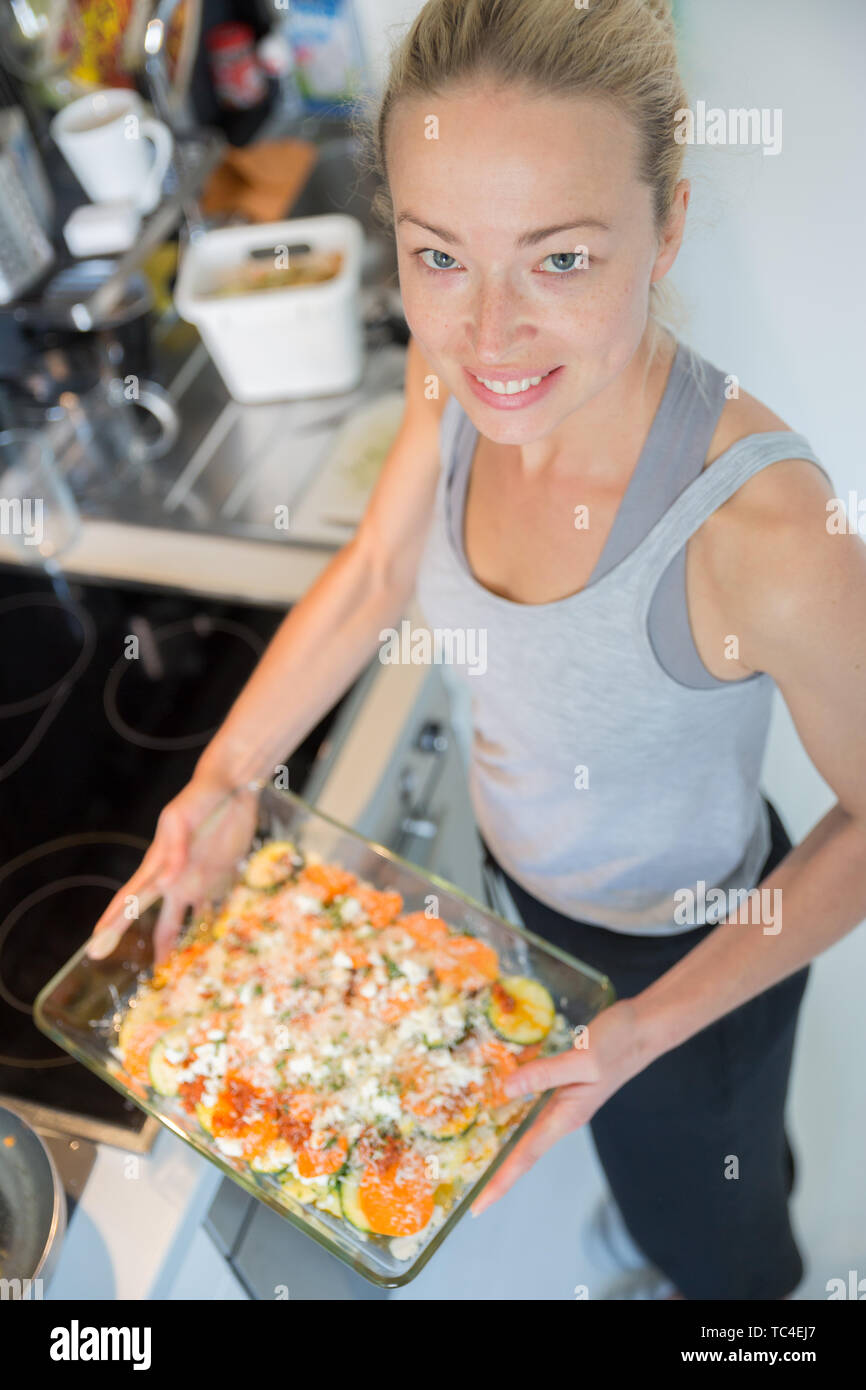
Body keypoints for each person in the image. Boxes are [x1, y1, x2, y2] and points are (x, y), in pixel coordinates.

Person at [88, 0, 866, 1300]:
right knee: (643, 1155)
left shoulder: (761, 525)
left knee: (717, 1220)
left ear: (665, 224)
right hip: (531, 903)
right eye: (439, 256)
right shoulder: (453, 375)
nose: (489, 331)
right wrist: (220, 783)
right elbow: (380, 568)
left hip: (687, 953)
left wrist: (640, 1033)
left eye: (558, 260)